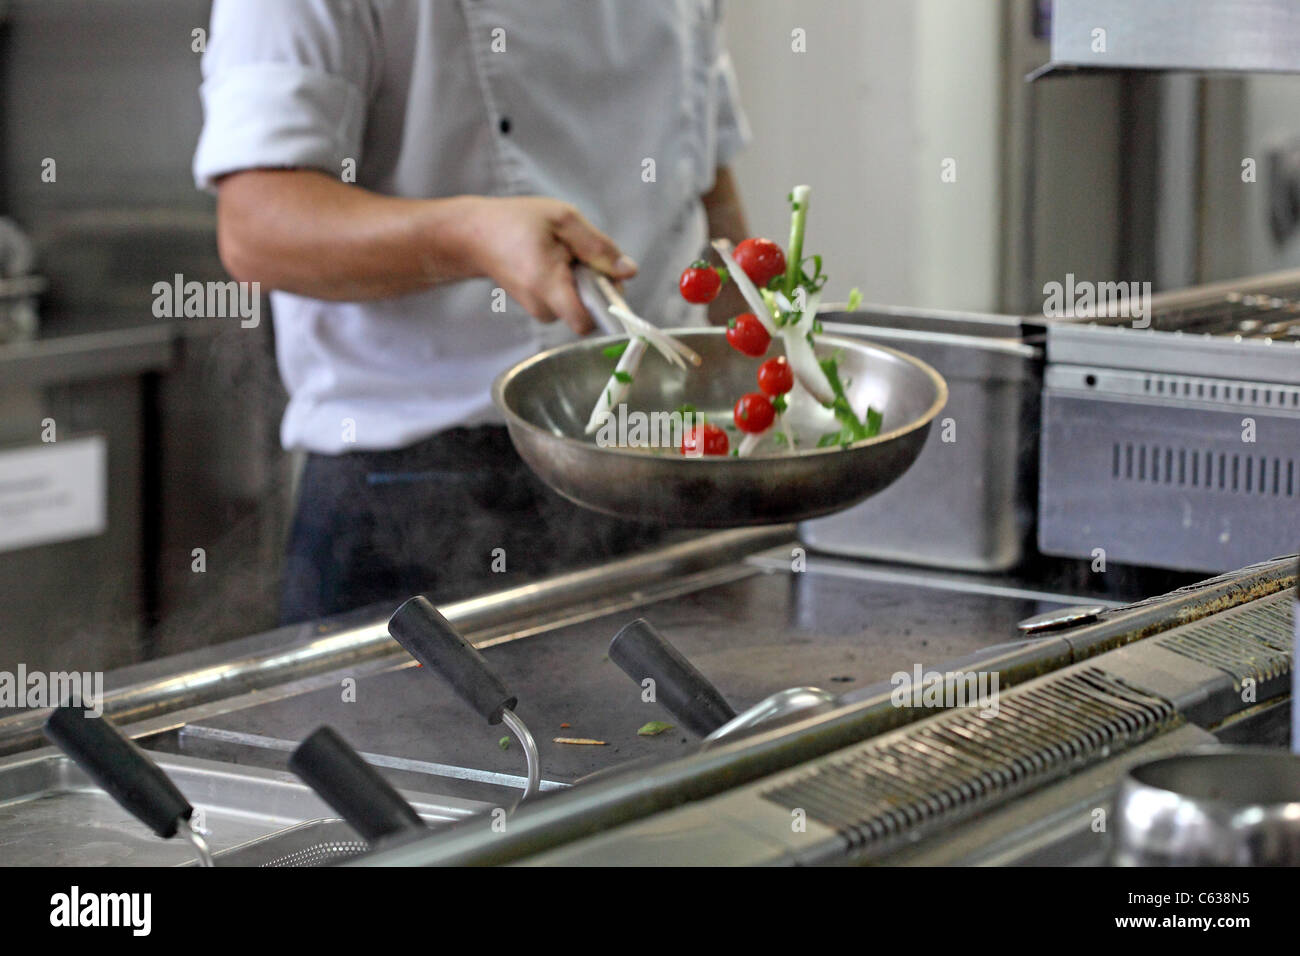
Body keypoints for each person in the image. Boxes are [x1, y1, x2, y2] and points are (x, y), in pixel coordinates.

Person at [193, 0, 752, 624]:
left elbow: (702, 182)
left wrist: (760, 362)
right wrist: (470, 236)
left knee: (681, 719)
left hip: (666, 462)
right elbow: (257, 226)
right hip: (417, 491)